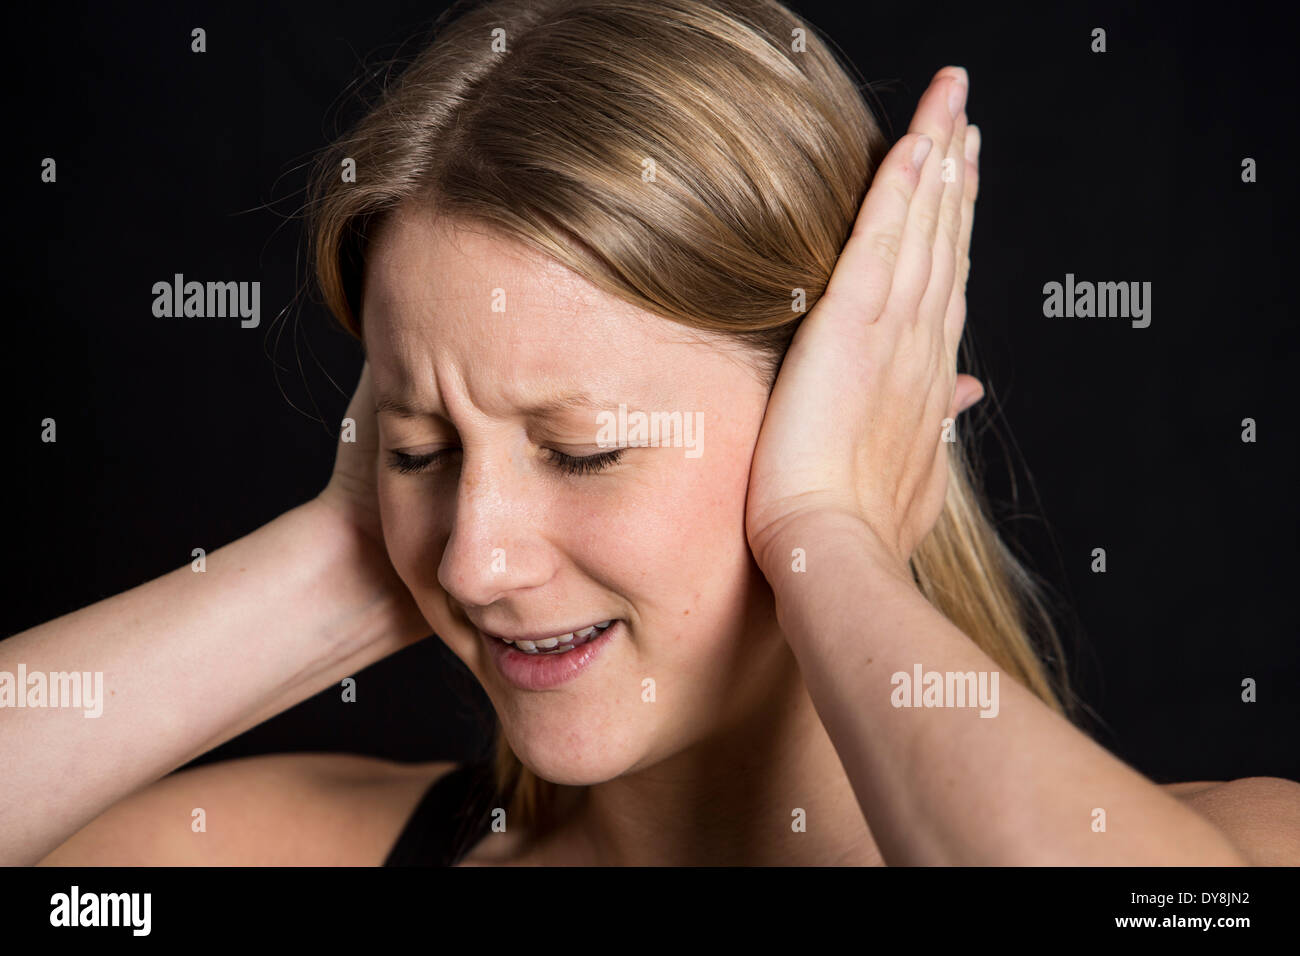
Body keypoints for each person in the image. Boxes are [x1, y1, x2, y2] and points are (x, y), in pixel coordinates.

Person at [7, 0, 1297, 866]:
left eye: (583, 450)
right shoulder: (273, 851)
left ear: (855, 415)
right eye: (418, 452)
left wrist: (828, 534)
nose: (472, 560)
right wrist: (343, 567)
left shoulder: (1241, 850)